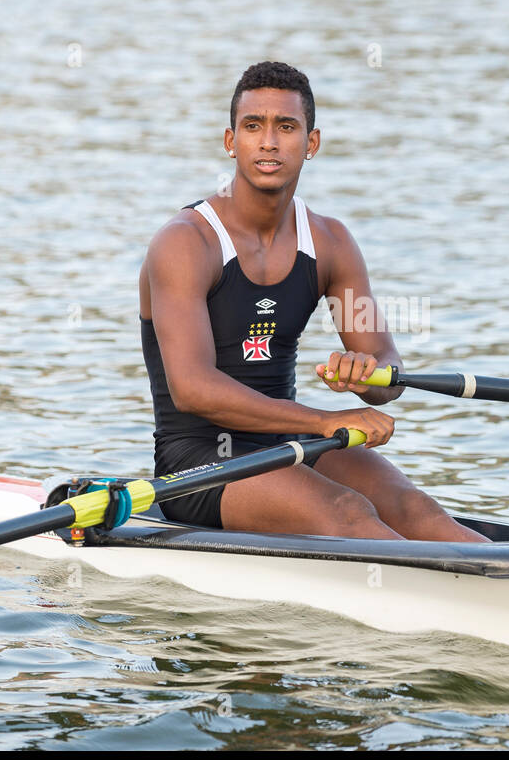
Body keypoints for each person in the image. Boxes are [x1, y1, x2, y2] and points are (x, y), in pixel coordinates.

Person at [139, 61, 486, 541]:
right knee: (347, 511)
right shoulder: (185, 244)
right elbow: (194, 390)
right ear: (230, 140)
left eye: (286, 127)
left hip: (287, 440)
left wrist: (367, 376)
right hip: (198, 461)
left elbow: (387, 373)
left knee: (417, 510)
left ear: (311, 143)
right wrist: (325, 420)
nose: (268, 142)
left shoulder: (331, 243)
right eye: (252, 126)